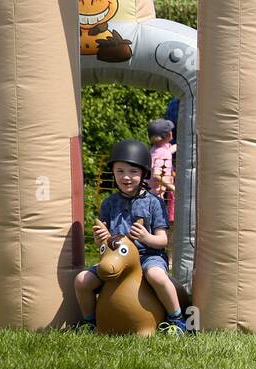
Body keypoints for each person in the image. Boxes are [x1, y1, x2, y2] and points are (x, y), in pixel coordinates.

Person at [73, 140, 189, 334]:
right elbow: (103, 244)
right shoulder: (109, 204)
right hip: (116, 259)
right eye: (120, 171)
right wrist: (102, 238)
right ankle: (90, 321)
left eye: (133, 172)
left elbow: (163, 240)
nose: (126, 177)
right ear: (114, 172)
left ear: (143, 173)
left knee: (157, 277)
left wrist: (145, 237)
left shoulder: (154, 203)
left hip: (148, 255)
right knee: (82, 281)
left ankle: (176, 319)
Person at [147, 118, 176, 226]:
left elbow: (168, 149)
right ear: (168, 135)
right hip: (155, 193)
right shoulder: (163, 153)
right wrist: (173, 188)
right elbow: (156, 174)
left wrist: (179, 146)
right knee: (157, 218)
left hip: (150, 191)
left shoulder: (156, 149)